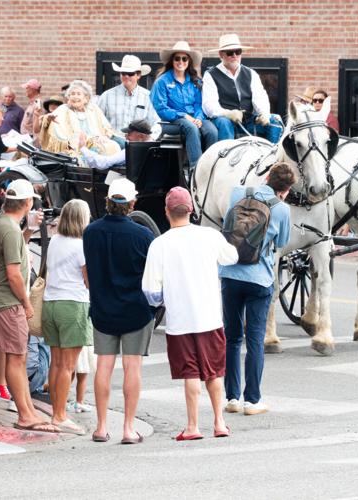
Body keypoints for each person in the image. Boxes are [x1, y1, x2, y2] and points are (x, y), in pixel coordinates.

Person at [142, 187, 238, 440]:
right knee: (214, 373)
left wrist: (165, 298)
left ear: (166, 212)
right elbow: (232, 257)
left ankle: (193, 426)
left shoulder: (159, 244)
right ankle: (219, 422)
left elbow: (151, 291)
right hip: (209, 316)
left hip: (180, 320)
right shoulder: (210, 236)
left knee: (191, 374)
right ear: (191, 210)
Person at [83, 178, 154, 444]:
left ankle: (101, 426)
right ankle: (128, 427)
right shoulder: (143, 236)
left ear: (108, 202)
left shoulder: (91, 232)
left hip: (103, 307)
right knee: (132, 366)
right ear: (132, 203)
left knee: (104, 365)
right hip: (135, 308)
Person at [220, 163, 295, 416]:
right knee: (254, 340)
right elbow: (282, 243)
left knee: (231, 338)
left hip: (230, 274)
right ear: (285, 190)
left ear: (266, 177)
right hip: (259, 279)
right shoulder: (282, 208)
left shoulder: (237, 193)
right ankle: (252, 400)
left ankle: (231, 397)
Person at [0, 178, 58, 432]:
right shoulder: (10, 229)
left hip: (4, 299)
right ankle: (26, 415)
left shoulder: (5, 224)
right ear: (28, 203)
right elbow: (14, 273)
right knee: (17, 359)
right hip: (8, 300)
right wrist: (26, 304)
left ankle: (28, 411)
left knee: (19, 356)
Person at [42, 199, 92, 436]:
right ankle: (59, 415)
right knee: (68, 365)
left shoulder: (55, 242)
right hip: (72, 304)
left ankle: (56, 411)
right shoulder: (81, 246)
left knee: (56, 362)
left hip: (50, 303)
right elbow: (88, 280)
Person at [202, 34, 282, 144]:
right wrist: (228, 113)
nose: (234, 55)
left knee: (275, 120)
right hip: (225, 122)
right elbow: (209, 106)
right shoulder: (210, 75)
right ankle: (226, 158)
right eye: (230, 52)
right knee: (224, 122)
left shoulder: (251, 73)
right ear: (221, 54)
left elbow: (260, 98)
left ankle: (272, 157)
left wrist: (264, 114)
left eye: (238, 51)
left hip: (248, 122)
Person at [151, 41, 218, 169]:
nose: (181, 62)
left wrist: (198, 118)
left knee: (212, 131)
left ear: (189, 61)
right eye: (177, 58)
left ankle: (210, 168)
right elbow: (161, 109)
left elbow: (199, 103)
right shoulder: (162, 81)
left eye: (184, 58)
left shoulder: (196, 81)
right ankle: (196, 169)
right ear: (172, 61)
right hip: (171, 122)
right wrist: (184, 116)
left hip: (194, 118)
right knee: (191, 128)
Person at [39, 80, 119, 159]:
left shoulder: (94, 109)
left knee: (114, 146)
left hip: (96, 141)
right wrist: (48, 119)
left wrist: (104, 136)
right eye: (72, 94)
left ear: (86, 98)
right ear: (68, 98)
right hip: (73, 146)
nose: (75, 96)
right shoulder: (63, 109)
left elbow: (106, 127)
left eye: (78, 94)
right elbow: (46, 120)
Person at [98, 55, 159, 141]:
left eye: (130, 73)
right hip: (113, 145)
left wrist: (149, 140)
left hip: (139, 146)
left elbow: (156, 123)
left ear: (138, 75)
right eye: (123, 73)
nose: (126, 76)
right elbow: (96, 121)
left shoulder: (148, 97)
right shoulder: (106, 96)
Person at [79, 119, 152, 170]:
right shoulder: (156, 147)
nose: (126, 136)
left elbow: (103, 163)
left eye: (129, 134)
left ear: (141, 136)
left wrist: (83, 149)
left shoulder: (133, 150)